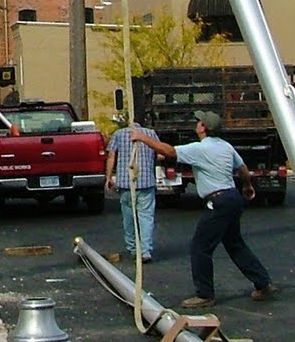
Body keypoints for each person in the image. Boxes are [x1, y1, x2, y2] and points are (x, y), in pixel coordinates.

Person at [143, 111, 274, 308]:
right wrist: (247, 186)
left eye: (198, 122)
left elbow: (169, 151)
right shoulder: (226, 146)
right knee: (235, 244)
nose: (196, 124)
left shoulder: (200, 149)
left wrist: (142, 137)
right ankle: (263, 283)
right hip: (232, 197)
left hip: (218, 202)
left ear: (203, 127)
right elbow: (243, 169)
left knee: (200, 247)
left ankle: (205, 294)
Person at [104, 120, 159, 263]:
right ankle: (145, 251)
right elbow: (160, 153)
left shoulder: (119, 134)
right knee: (146, 217)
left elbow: (111, 155)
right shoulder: (150, 133)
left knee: (128, 218)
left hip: (126, 183)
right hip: (146, 182)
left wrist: (109, 177)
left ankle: (133, 248)